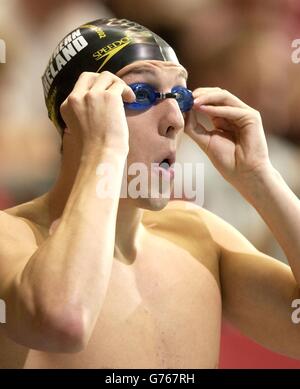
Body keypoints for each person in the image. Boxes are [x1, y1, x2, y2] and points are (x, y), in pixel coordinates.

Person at [0, 18, 300, 369]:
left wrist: (260, 178)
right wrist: (102, 151)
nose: (175, 119)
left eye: (180, 96)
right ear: (79, 115)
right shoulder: (12, 239)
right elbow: (64, 321)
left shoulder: (198, 236)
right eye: (141, 95)